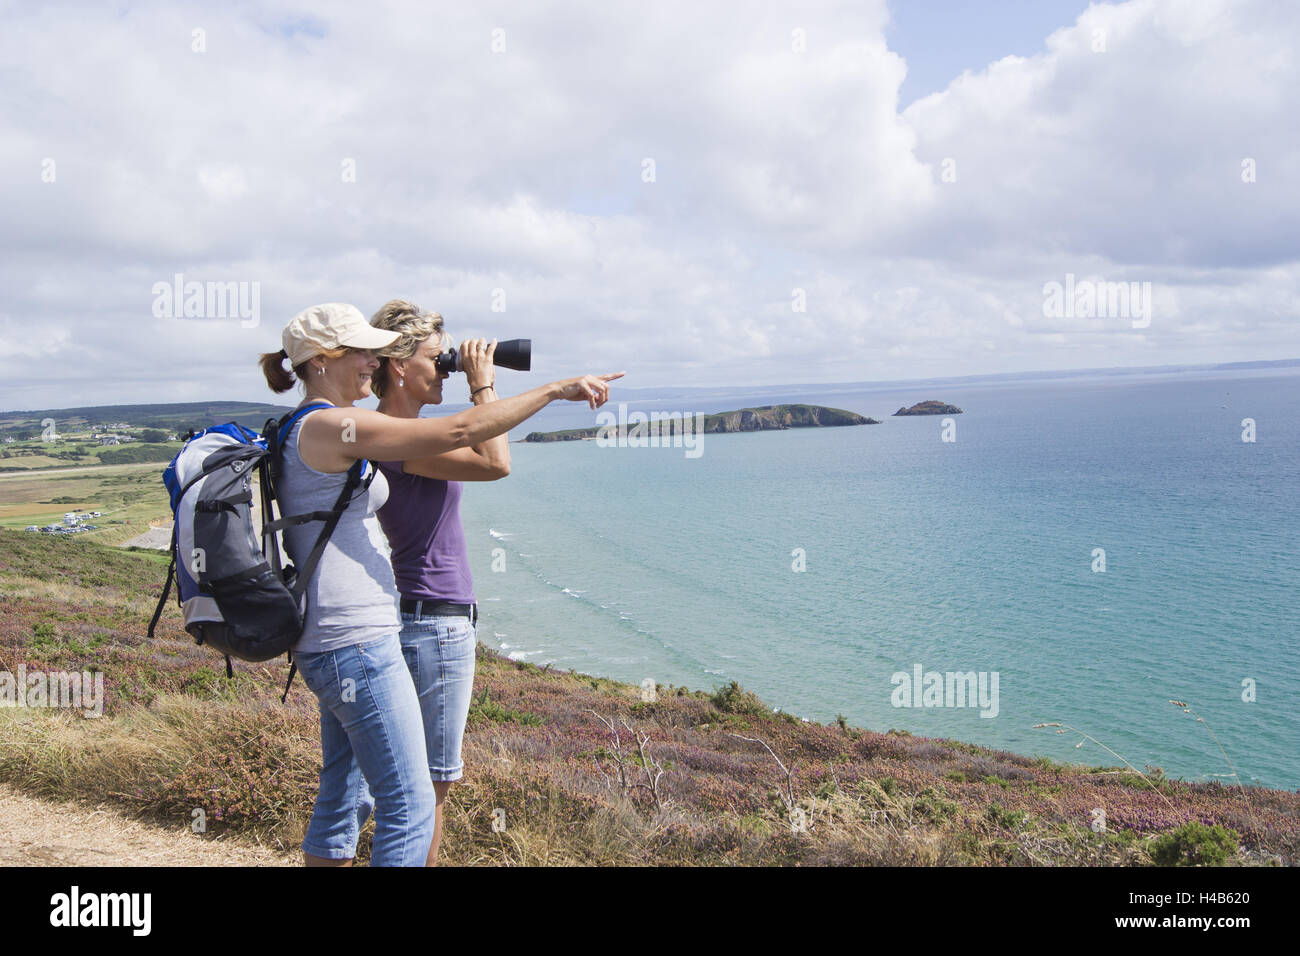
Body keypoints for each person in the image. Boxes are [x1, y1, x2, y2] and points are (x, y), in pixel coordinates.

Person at [258, 302, 621, 866]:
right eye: (362, 351)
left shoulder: (303, 428)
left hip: (338, 634)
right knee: (412, 801)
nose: (371, 361)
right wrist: (536, 389)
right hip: (372, 634)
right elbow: (473, 441)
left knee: (345, 794)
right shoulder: (335, 425)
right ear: (324, 359)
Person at [367, 300, 511, 866]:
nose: (445, 368)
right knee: (431, 788)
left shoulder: (390, 433)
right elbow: (495, 462)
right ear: (400, 365)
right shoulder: (405, 440)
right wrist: (483, 385)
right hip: (436, 626)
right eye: (437, 359)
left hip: (409, 614)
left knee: (386, 784)